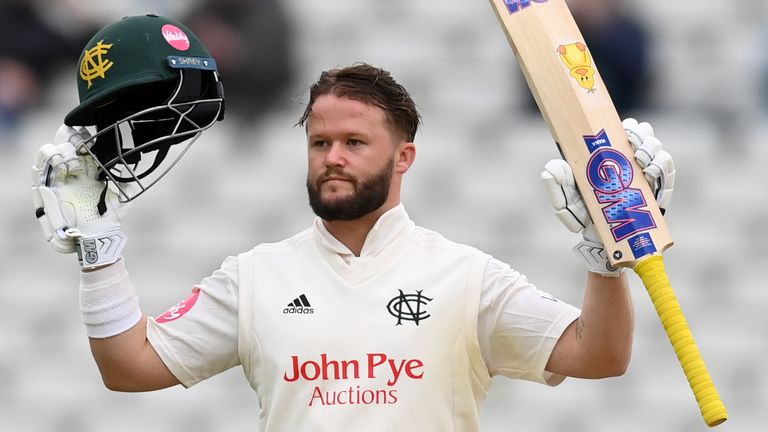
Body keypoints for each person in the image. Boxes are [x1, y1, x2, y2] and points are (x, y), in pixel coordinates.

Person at [31, 15, 676, 432]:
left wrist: (605, 257)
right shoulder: (256, 276)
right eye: (319, 143)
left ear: (405, 157)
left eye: (354, 143)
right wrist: (97, 247)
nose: (332, 157)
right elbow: (129, 368)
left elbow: (602, 355)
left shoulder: (467, 275)